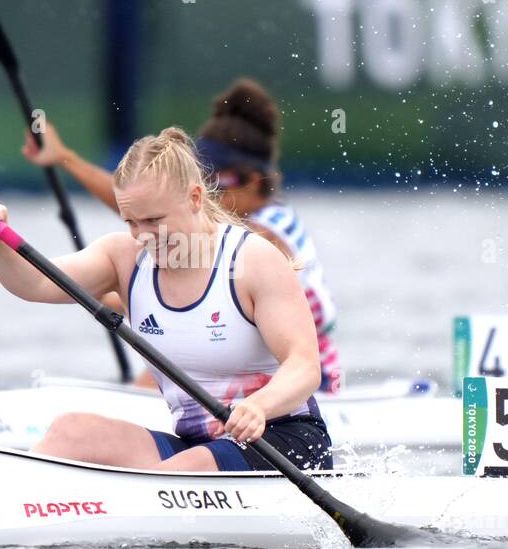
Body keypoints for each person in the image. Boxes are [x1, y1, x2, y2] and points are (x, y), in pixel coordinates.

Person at [0, 127, 332, 472]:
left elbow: (304, 366)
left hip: (283, 441)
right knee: (70, 431)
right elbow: (35, 283)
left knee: (182, 468)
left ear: (194, 198)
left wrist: (257, 406)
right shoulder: (123, 257)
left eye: (154, 220)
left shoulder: (253, 260)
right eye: (131, 221)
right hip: (196, 447)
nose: (143, 236)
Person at [21, 79, 343, 392]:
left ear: (254, 181)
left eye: (216, 180)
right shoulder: (215, 231)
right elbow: (149, 210)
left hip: (307, 380)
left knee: (155, 378)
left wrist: (113, 291)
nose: (206, 191)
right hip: (241, 364)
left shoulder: (265, 236)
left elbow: (160, 219)